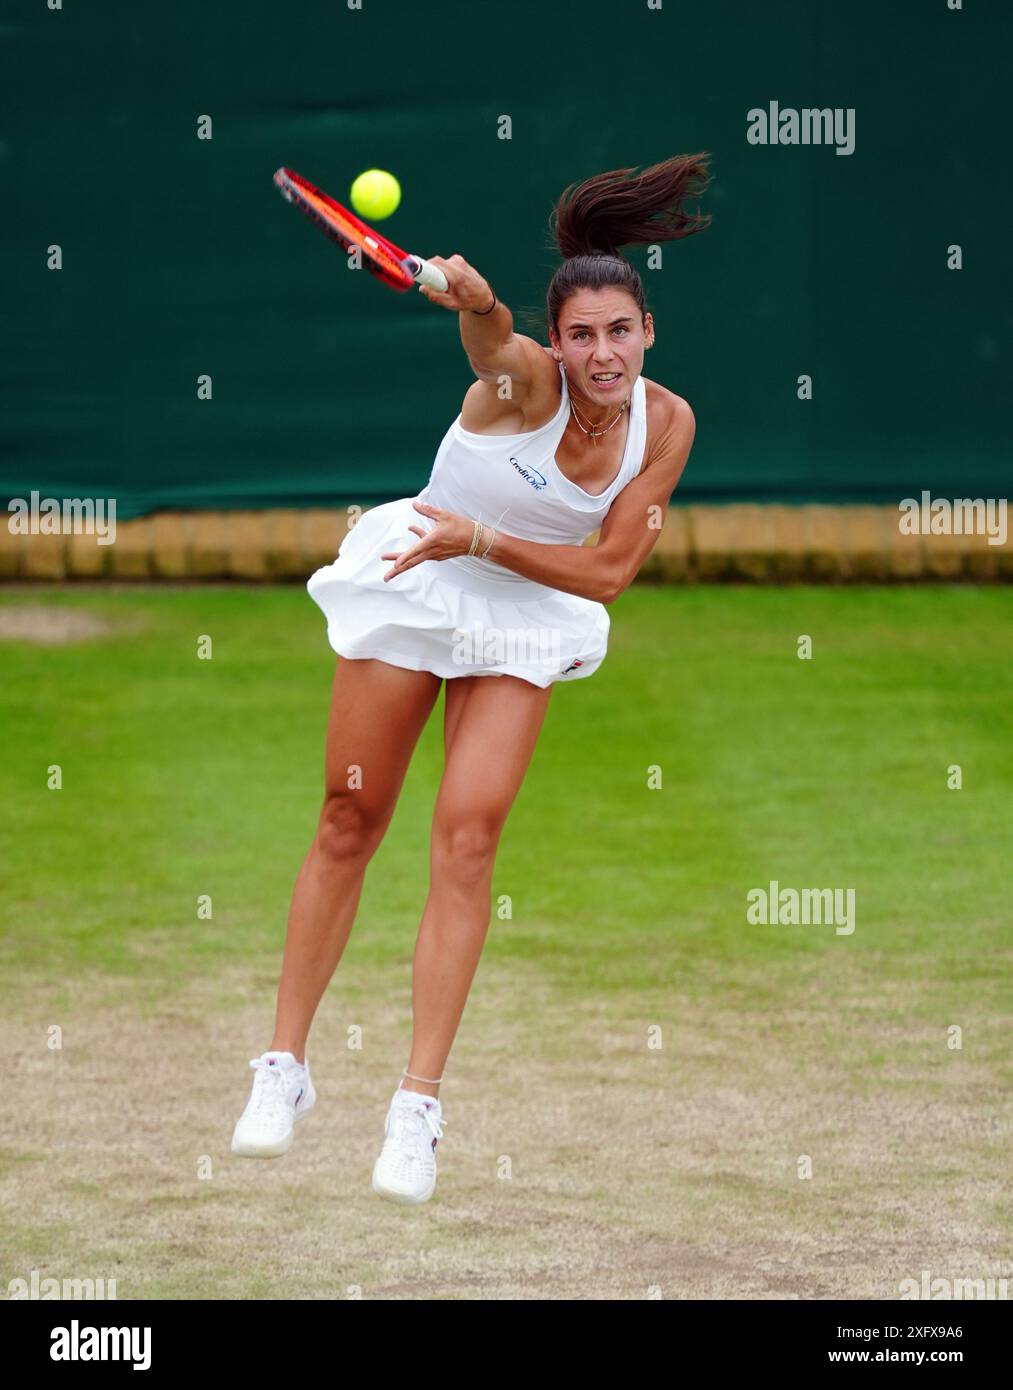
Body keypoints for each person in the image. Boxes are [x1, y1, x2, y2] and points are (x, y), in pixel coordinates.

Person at [231, 154, 712, 1204]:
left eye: (618, 332)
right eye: (579, 333)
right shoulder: (522, 377)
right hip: (419, 575)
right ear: (558, 339)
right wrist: (479, 298)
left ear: (646, 334)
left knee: (467, 839)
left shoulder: (664, 425)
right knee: (348, 818)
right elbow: (491, 336)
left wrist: (484, 540)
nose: (600, 353)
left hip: (515, 593)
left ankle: (416, 1108)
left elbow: (608, 573)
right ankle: (284, 1067)